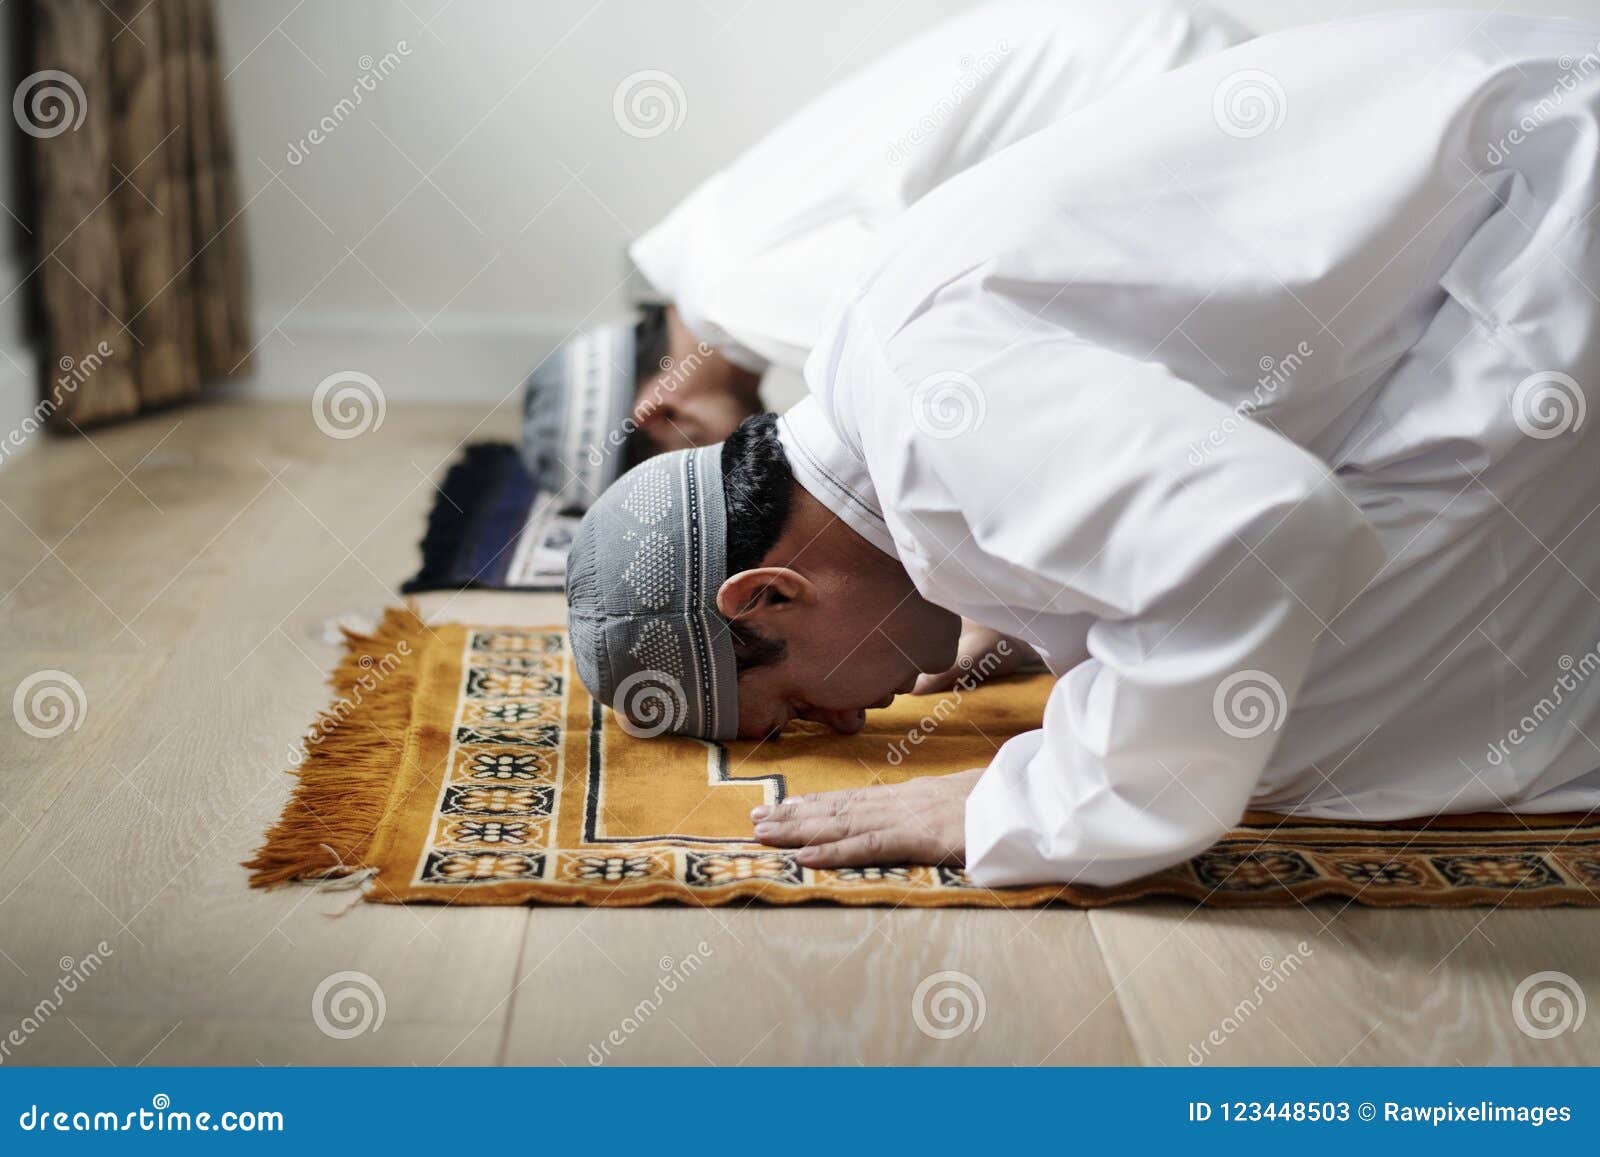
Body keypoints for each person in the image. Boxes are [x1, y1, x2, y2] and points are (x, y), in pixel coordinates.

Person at [566, 9, 1600, 889]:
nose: (846, 718)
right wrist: (1046, 610)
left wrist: (1036, 798)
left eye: (796, 705)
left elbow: (1266, 524)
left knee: (1290, 734)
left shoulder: (928, 416)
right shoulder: (866, 376)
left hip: (1558, 186)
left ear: (768, 594)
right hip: (1527, 173)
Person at [521, 1, 1251, 504]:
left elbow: (949, 374)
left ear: (660, 416)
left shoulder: (741, 288)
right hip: (1158, 50)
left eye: (691, 476)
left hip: (1172, 93)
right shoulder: (714, 238)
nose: (729, 484)